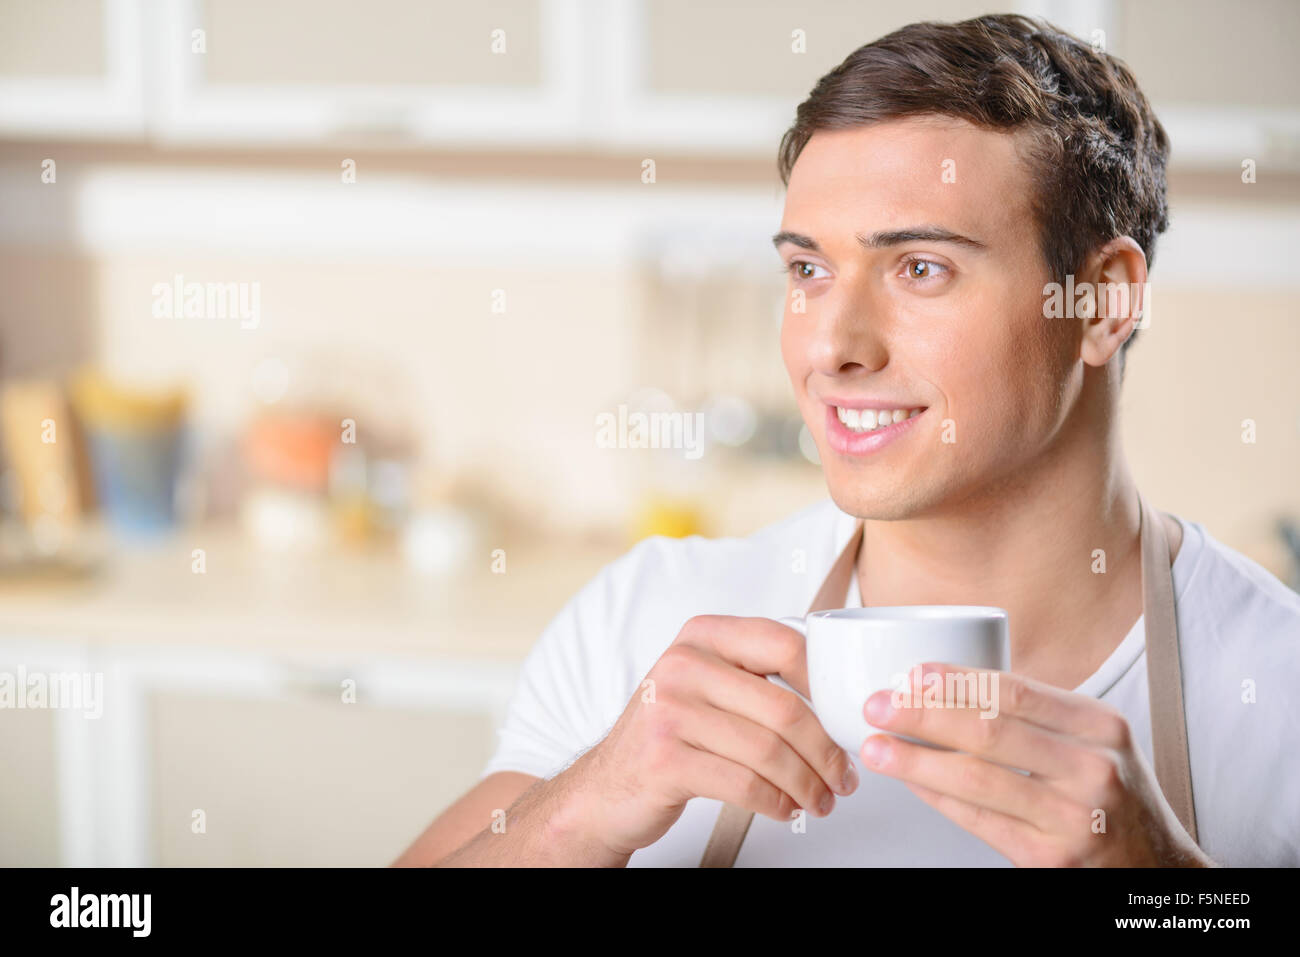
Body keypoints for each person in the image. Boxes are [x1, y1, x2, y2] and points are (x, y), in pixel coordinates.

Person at [395, 14, 1300, 867]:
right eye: (809, 269)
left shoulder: (1277, 688)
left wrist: (1171, 891)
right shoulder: (647, 625)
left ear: (1103, 299)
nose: (832, 346)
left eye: (921, 268)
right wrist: (578, 811)